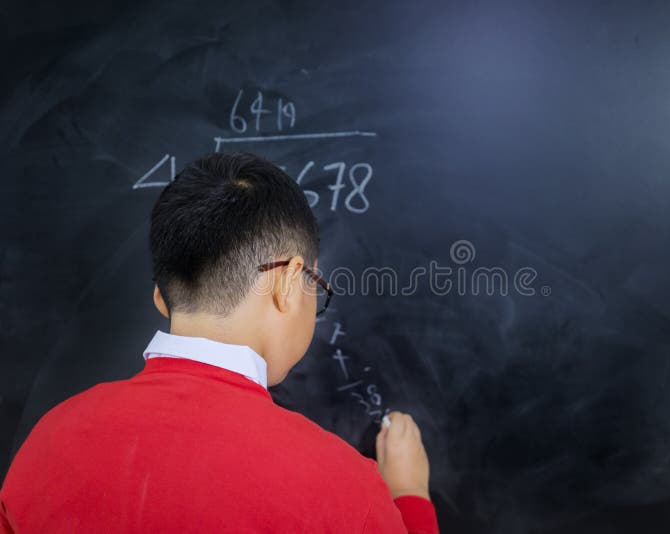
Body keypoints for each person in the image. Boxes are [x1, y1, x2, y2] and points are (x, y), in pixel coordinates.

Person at [0, 152, 439, 533]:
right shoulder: (341, 488)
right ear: (287, 283)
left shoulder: (49, 443)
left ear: (161, 298)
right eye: (314, 284)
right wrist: (409, 497)